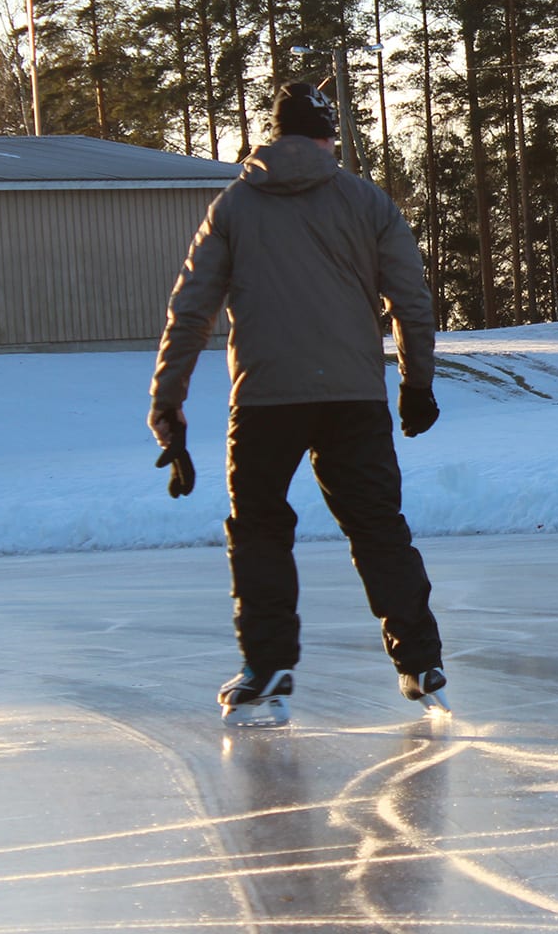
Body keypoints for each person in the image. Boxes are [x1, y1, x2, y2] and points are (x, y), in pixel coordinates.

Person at [150, 81, 448, 727]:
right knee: (377, 526)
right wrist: (417, 383)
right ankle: (419, 662)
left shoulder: (234, 206)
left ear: (275, 136)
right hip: (352, 396)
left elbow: (191, 309)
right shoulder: (366, 201)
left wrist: (167, 402)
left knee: (258, 529)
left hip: (265, 398)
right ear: (325, 137)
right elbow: (410, 299)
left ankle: (268, 667)